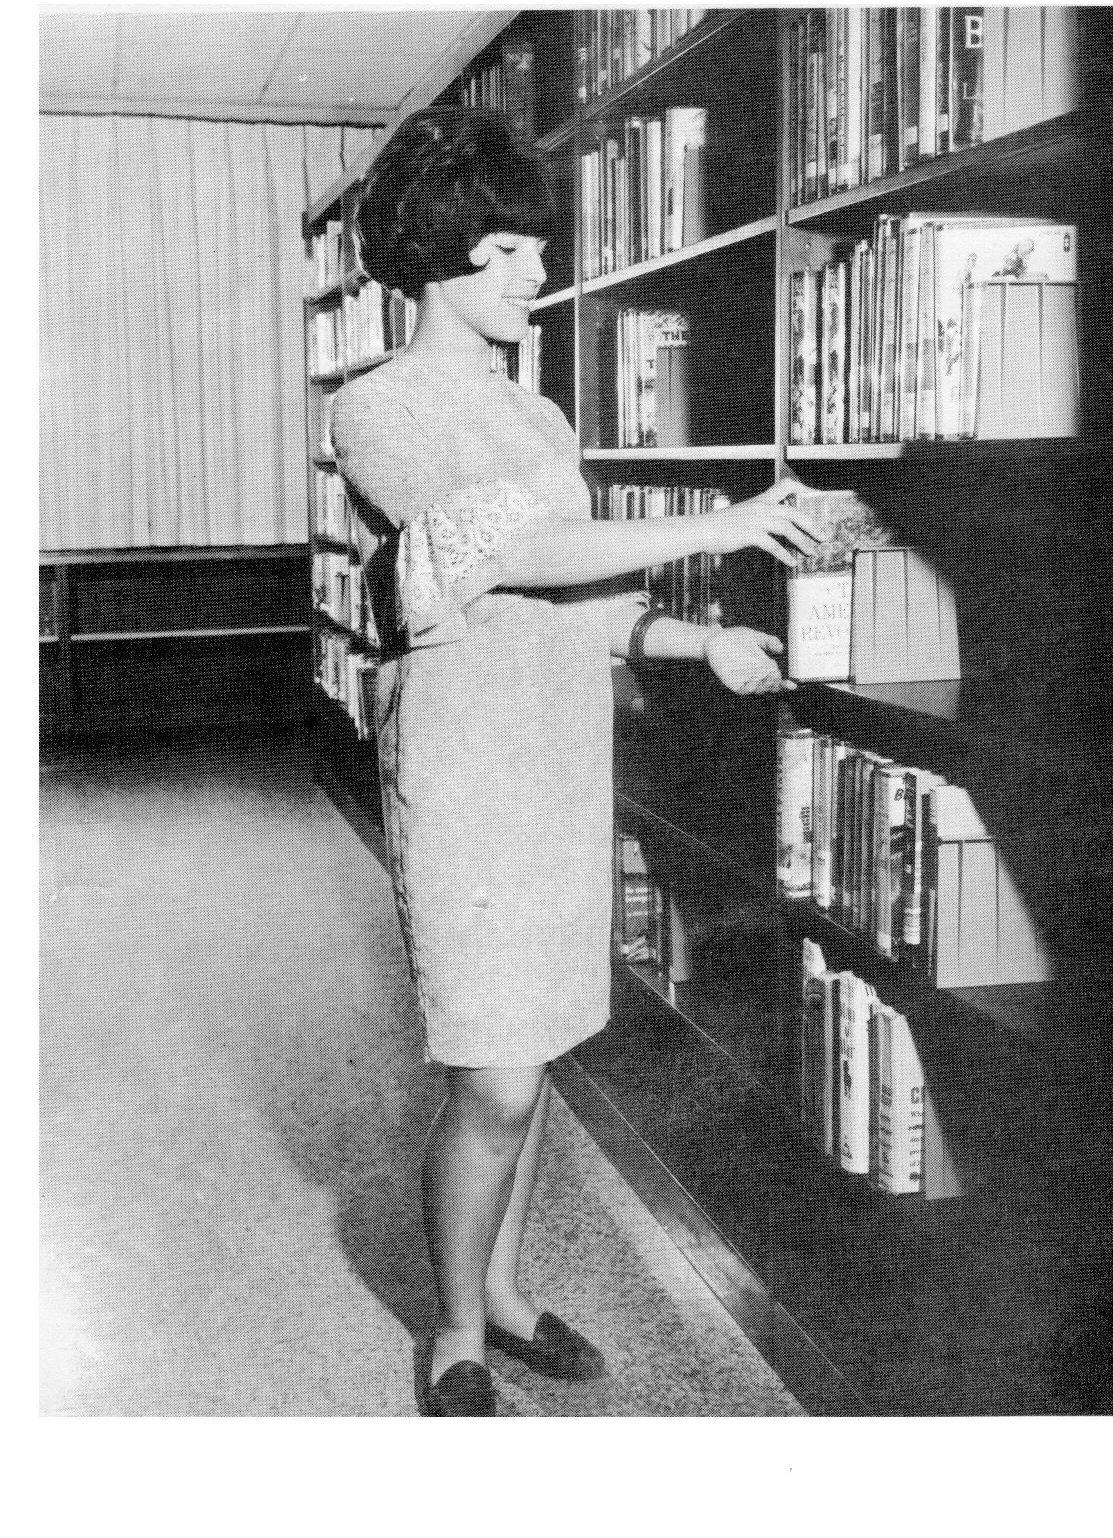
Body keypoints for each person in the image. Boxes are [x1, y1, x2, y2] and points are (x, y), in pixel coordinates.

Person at [330, 106, 825, 1416]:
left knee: (536, 1051)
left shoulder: (540, 415)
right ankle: (454, 1329)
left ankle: (501, 1291)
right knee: (492, 1075)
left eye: (536, 249)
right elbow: (510, 556)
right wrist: (718, 522)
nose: (536, 273)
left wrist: (696, 639)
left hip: (559, 762)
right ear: (436, 256)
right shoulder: (378, 411)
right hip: (467, 770)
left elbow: (583, 602)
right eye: (506, 250)